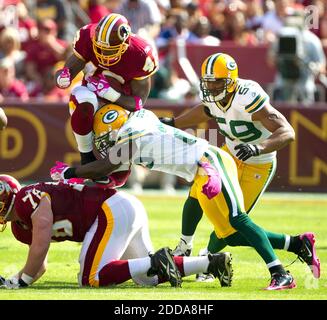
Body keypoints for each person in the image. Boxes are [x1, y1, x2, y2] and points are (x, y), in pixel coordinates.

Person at [50, 104, 319, 290]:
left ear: (119, 126)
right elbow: (113, 172)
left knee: (237, 218)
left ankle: (280, 274)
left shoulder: (132, 133)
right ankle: (298, 244)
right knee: (230, 234)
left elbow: (106, 166)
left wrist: (71, 171)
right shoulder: (139, 121)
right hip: (201, 169)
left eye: (108, 136)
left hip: (210, 162)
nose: (107, 142)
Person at [159, 52, 301, 281]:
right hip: (229, 155)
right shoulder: (214, 97)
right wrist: (175, 123)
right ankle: (185, 244)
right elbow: (205, 110)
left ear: (231, 82)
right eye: (209, 82)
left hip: (258, 164)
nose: (212, 88)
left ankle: (210, 261)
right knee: (197, 190)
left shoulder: (247, 97)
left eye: (217, 82)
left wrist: (259, 147)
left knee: (232, 224)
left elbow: (287, 132)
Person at [0, 174, 232, 289]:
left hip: (111, 209)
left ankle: (157, 260)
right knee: (145, 278)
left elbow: (41, 244)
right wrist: (17, 278)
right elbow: (38, 263)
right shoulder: (20, 227)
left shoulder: (24, 200)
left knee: (90, 277)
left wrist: (23, 283)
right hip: (121, 209)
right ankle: (210, 263)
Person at [55, 12, 159, 167]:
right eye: (99, 48)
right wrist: (62, 78)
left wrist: (111, 94)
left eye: (109, 50)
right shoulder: (86, 37)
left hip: (120, 107)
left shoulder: (141, 54)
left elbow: (138, 103)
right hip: (90, 93)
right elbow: (66, 72)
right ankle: (86, 157)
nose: (103, 54)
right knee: (84, 100)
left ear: (125, 44)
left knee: (111, 123)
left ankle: (114, 171)